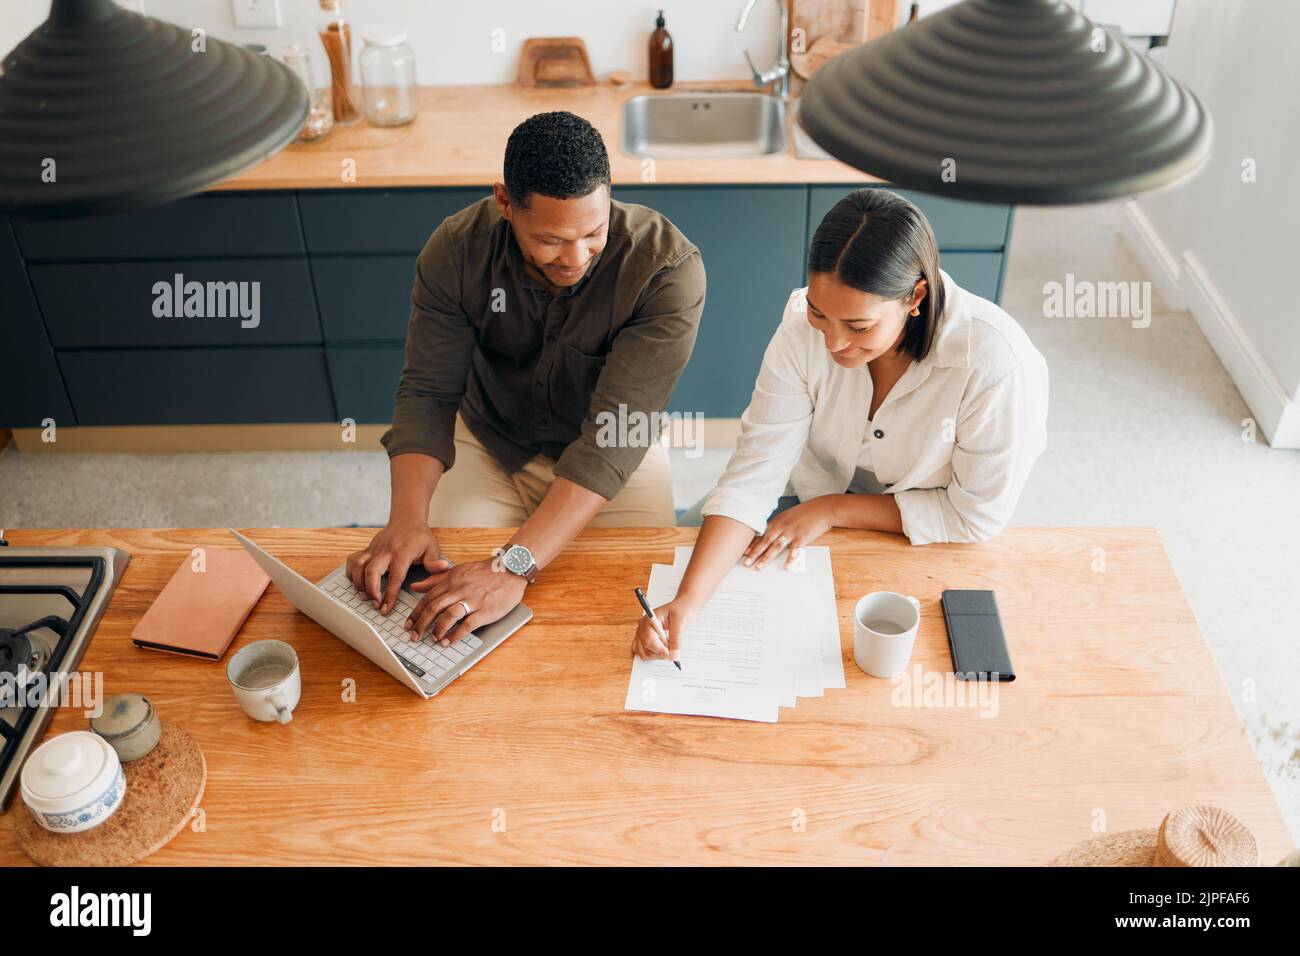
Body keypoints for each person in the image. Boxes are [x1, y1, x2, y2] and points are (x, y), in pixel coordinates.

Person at [634, 187, 1048, 662]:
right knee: (685, 540)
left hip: (925, 521)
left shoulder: (995, 364)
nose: (832, 342)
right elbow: (754, 473)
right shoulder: (801, 331)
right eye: (819, 312)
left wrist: (832, 510)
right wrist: (686, 603)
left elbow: (975, 515)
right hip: (802, 489)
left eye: (858, 326)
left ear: (915, 296)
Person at [347, 111, 705, 647]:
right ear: (505, 203)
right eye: (552, 240)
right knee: (443, 600)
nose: (576, 257)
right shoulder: (455, 251)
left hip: (613, 447)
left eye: (592, 232)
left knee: (633, 608)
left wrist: (513, 564)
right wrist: (405, 520)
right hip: (491, 438)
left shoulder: (666, 271)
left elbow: (615, 437)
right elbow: (427, 392)